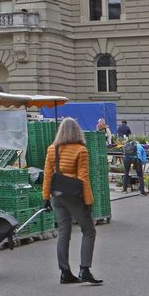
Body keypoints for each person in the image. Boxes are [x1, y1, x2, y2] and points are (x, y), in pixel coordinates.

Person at [43, 117, 101, 286]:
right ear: (77, 131)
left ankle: (65, 272)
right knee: (89, 230)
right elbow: (83, 178)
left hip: (57, 194)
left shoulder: (52, 149)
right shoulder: (81, 150)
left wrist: (45, 197)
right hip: (73, 195)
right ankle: (85, 269)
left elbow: (47, 175)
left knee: (64, 233)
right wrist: (88, 201)